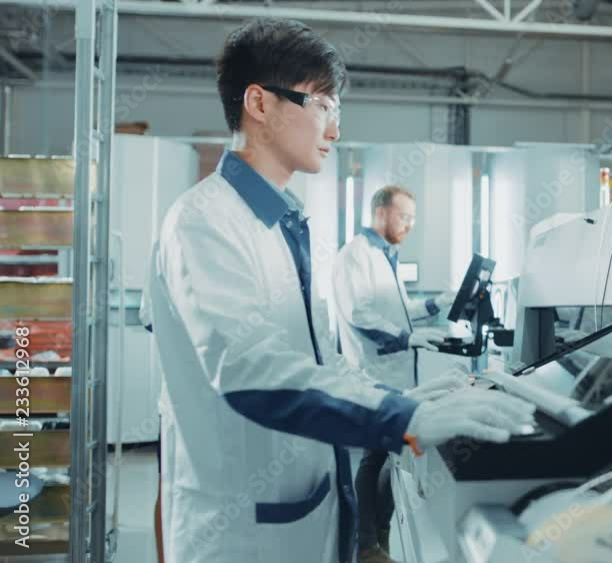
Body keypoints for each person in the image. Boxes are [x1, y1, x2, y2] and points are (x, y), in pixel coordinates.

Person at [146, 18, 534, 563]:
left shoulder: (288, 223)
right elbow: (250, 371)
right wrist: (402, 420)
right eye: (323, 105)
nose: (334, 129)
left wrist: (399, 400)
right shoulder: (203, 221)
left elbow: (316, 360)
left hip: (306, 508)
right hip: (242, 532)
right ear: (259, 104)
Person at [332, 185, 455, 562]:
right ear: (381, 213)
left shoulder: (386, 256)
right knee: (374, 459)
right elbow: (360, 315)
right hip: (372, 373)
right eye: (404, 216)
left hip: (396, 375)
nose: (409, 225)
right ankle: (366, 544)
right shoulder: (356, 255)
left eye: (413, 219)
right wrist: (408, 337)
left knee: (386, 456)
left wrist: (435, 304)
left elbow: (398, 309)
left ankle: (377, 536)